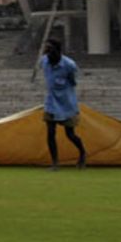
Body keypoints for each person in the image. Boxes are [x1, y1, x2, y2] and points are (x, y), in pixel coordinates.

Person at [41, 38, 86, 170]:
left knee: (70, 134)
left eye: (50, 50)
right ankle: (55, 163)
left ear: (58, 51)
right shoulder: (44, 61)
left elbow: (73, 82)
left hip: (66, 103)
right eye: (46, 50)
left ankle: (82, 153)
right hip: (51, 102)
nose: (48, 53)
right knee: (50, 132)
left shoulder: (69, 65)